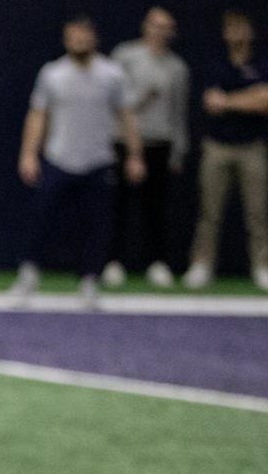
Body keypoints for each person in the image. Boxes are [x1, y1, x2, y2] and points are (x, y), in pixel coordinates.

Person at [12, 14, 145, 308]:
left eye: (84, 36)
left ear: (94, 39)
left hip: (98, 161)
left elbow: (127, 115)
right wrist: (28, 153)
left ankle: (89, 282)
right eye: (74, 37)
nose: (79, 42)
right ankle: (29, 276)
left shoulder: (112, 74)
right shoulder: (52, 74)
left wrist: (135, 155)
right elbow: (38, 115)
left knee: (97, 226)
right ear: (66, 39)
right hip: (59, 158)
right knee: (41, 220)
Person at [106, 7, 189, 287]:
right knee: (118, 205)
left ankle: (156, 262)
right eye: (156, 24)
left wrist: (178, 150)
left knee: (156, 207)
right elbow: (116, 102)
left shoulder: (177, 67)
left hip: (160, 143)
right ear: (145, 26)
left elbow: (178, 112)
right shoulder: (125, 56)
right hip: (125, 141)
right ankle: (113, 262)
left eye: (166, 26)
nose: (160, 30)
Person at [185, 10, 268, 290]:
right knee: (210, 212)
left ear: (250, 32)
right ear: (224, 33)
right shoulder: (214, 64)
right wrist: (250, 97)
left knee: (258, 212)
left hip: (252, 147)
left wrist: (230, 101)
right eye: (231, 28)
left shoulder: (261, 63)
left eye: (241, 28)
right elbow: (210, 103)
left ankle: (262, 266)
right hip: (217, 147)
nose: (236, 34)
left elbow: (265, 102)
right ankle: (202, 264)